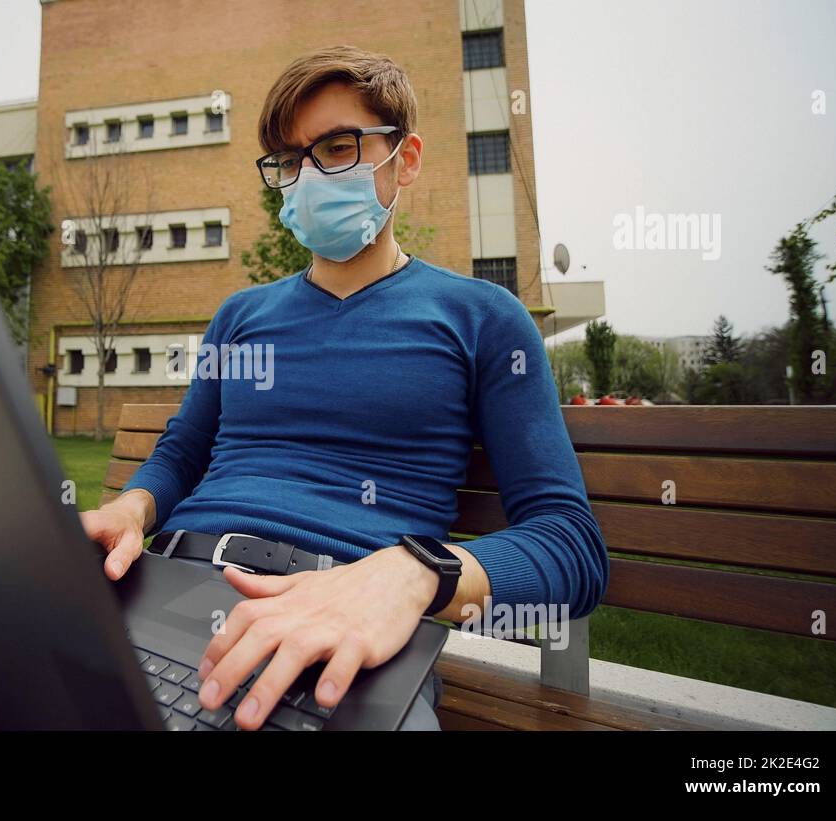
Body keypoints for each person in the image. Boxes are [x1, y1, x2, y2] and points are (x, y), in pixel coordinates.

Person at [78, 44, 609, 732]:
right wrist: (134, 508)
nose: (308, 176)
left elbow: (571, 546)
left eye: (336, 147)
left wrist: (415, 574)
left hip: (349, 620)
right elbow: (183, 453)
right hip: (172, 581)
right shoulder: (241, 316)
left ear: (406, 159)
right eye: (291, 160)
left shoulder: (482, 320)